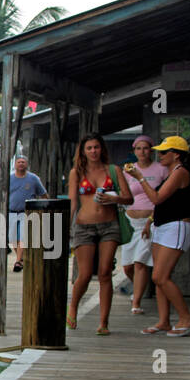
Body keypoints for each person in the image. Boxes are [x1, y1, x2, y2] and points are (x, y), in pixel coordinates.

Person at [67, 133, 133, 335]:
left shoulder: (113, 170)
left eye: (96, 147)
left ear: (102, 149)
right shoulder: (76, 172)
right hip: (84, 226)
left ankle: (104, 322)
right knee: (85, 274)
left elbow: (128, 198)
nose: (93, 151)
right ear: (83, 151)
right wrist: (66, 230)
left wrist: (113, 199)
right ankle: (73, 307)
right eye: (89, 148)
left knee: (105, 272)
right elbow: (73, 202)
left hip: (109, 225)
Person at [129, 136, 190, 336]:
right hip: (161, 226)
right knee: (159, 277)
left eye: (164, 152)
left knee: (160, 276)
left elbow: (157, 198)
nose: (159, 155)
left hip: (176, 227)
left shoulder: (180, 172)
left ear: (176, 155)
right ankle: (164, 321)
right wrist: (150, 221)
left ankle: (186, 318)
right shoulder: (170, 173)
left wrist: (140, 177)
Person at [118, 135, 168, 313]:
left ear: (151, 150)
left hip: (150, 221)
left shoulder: (161, 169)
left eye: (146, 148)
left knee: (140, 263)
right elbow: (123, 194)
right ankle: (140, 287)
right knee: (127, 266)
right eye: (138, 149)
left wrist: (151, 220)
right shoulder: (128, 170)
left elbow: (164, 198)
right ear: (134, 151)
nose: (142, 152)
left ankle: (136, 303)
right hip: (131, 221)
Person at [0, 155, 47, 272]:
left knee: (23, 237)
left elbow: (43, 194)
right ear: (15, 165)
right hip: (11, 212)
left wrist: (45, 207)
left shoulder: (33, 179)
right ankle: (22, 259)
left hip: (27, 213)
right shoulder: (8, 179)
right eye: (19, 162)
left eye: (23, 162)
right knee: (13, 238)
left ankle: (18, 261)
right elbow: (0, 196)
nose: (21, 164)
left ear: (27, 164)